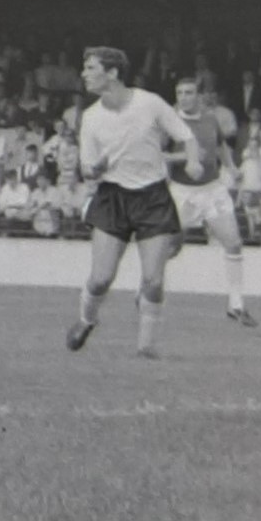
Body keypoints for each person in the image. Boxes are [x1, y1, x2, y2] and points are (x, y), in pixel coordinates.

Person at [68, 46, 200, 356]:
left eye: (90, 68)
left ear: (112, 73)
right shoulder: (90, 117)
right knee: (101, 279)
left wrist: (193, 162)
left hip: (152, 196)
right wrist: (94, 169)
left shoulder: (149, 103)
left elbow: (186, 136)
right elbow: (88, 168)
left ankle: (146, 348)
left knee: (153, 280)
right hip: (113, 197)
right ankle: (87, 320)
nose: (84, 74)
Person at [171, 76, 258, 326]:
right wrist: (187, 156)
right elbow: (157, 154)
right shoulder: (170, 122)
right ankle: (147, 288)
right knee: (170, 248)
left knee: (233, 242)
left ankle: (236, 304)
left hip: (212, 189)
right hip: (182, 192)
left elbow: (221, 146)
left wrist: (231, 168)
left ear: (199, 96)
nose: (184, 97)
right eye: (179, 93)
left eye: (188, 92)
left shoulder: (210, 118)